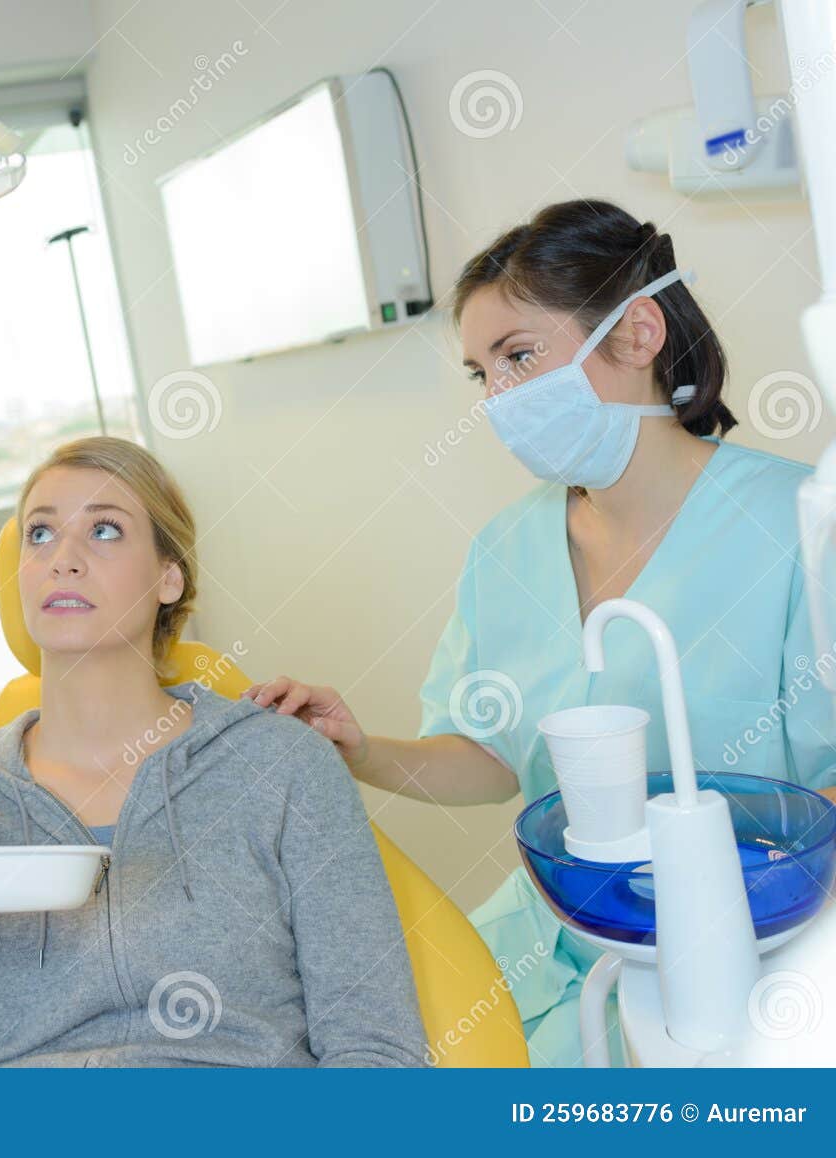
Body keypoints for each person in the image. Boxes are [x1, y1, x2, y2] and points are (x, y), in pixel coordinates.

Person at [246, 199, 836, 1067]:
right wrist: (359, 751)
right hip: (552, 943)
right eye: (483, 374)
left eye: (521, 356)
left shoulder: (799, 526)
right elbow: (493, 757)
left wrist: (720, 896)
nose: (500, 399)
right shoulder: (509, 549)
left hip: (765, 950)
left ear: (638, 335)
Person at [0, 437, 427, 1067]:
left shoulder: (282, 767)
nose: (64, 559)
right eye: (40, 535)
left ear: (169, 576)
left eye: (104, 530)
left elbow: (376, 1046)